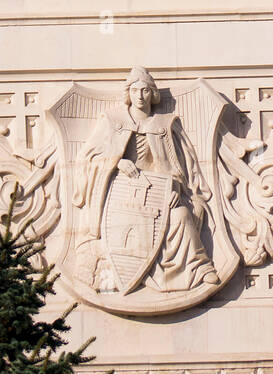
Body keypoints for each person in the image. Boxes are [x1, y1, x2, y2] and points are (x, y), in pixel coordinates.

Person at [73, 68, 219, 294]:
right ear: (128, 94)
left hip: (157, 194)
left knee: (181, 214)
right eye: (134, 90)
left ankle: (199, 266)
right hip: (120, 196)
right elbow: (88, 157)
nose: (139, 96)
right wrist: (115, 163)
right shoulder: (112, 121)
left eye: (144, 90)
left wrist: (176, 189)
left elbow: (178, 166)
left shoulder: (165, 124)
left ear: (152, 94)